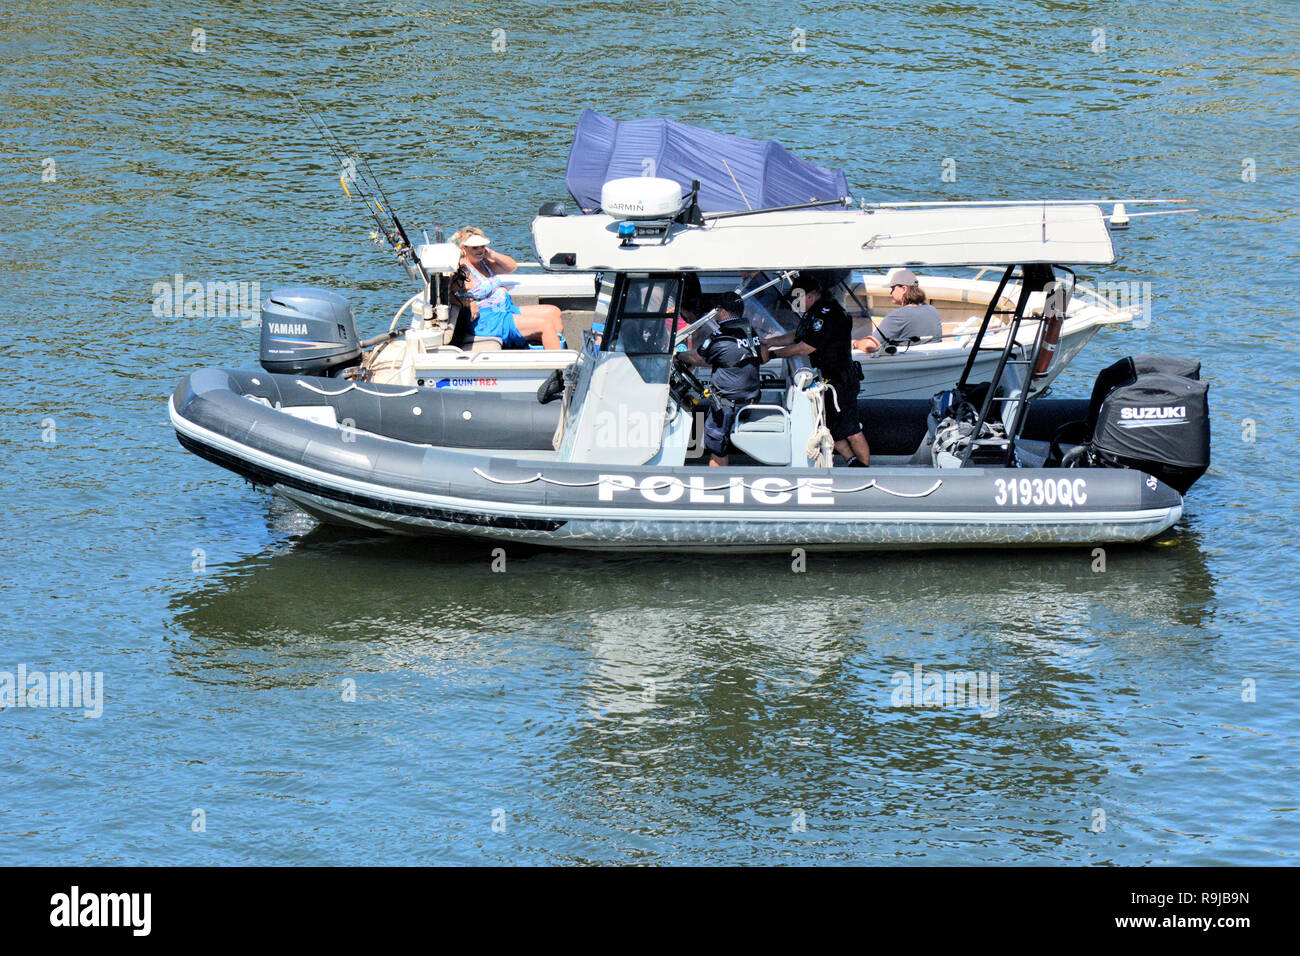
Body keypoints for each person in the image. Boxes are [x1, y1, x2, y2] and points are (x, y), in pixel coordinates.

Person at [765, 275, 871, 467]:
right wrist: (769, 342)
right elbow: (797, 336)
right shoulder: (814, 312)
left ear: (811, 296)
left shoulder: (827, 313)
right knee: (829, 427)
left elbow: (805, 348)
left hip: (841, 380)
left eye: (797, 297)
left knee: (851, 430)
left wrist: (772, 355)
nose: (794, 302)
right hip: (827, 378)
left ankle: (865, 470)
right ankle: (853, 462)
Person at [675, 293, 768, 467]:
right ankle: (703, 459)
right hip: (750, 401)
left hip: (727, 407)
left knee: (716, 447)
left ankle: (717, 482)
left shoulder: (719, 336)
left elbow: (696, 358)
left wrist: (677, 355)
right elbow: (761, 356)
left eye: (717, 311)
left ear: (723, 312)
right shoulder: (750, 332)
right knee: (704, 415)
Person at [454, 227, 566, 349]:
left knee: (553, 312)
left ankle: (550, 346)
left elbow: (511, 267)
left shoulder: (484, 263)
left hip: (504, 308)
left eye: (482, 246)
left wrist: (491, 254)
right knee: (545, 325)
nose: (480, 250)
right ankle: (556, 365)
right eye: (475, 247)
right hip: (488, 319)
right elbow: (451, 294)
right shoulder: (462, 270)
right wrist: (469, 301)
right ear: (464, 248)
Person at [853, 267, 943, 353]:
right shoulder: (932, 310)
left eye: (892, 288)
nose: (891, 293)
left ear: (904, 289)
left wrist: (854, 343)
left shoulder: (898, 316)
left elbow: (871, 346)